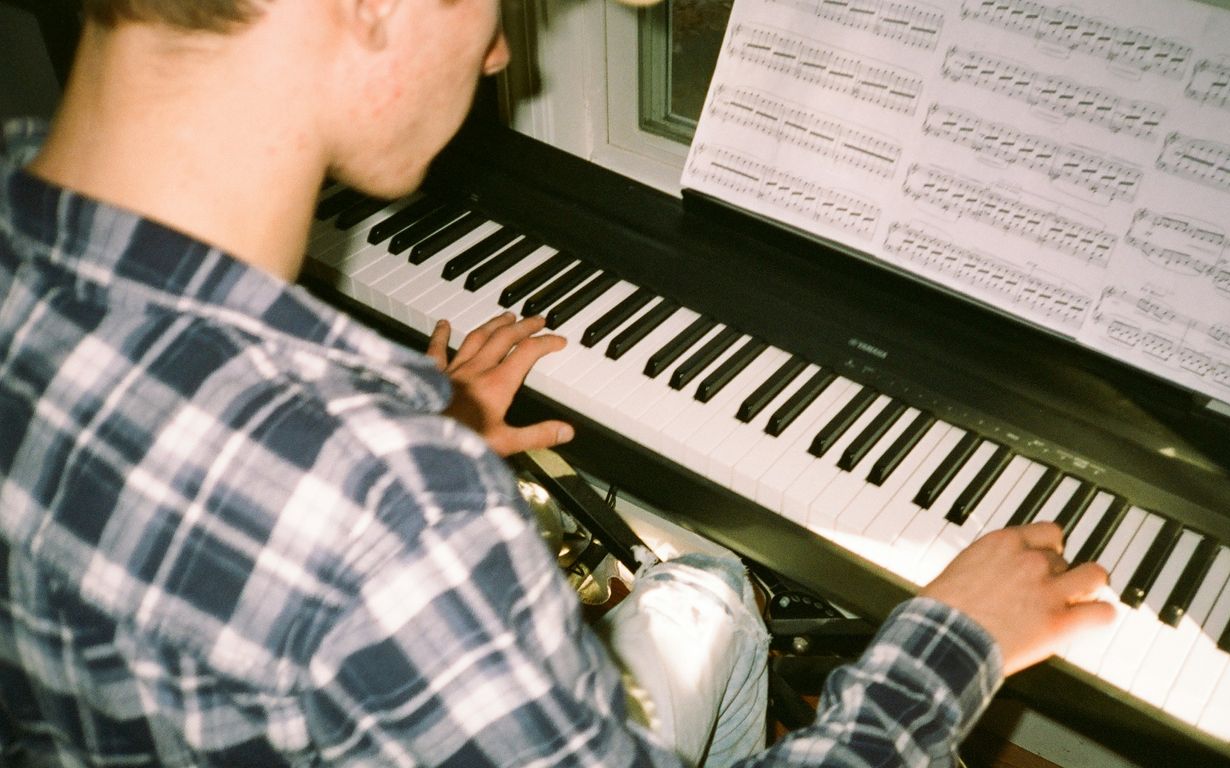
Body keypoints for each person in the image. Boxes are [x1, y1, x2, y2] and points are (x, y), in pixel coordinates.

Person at [0, 0, 1118, 765]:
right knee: (712, 591)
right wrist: (952, 647)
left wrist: (385, 438)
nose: (497, 56)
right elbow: (355, 527)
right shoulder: (390, 509)